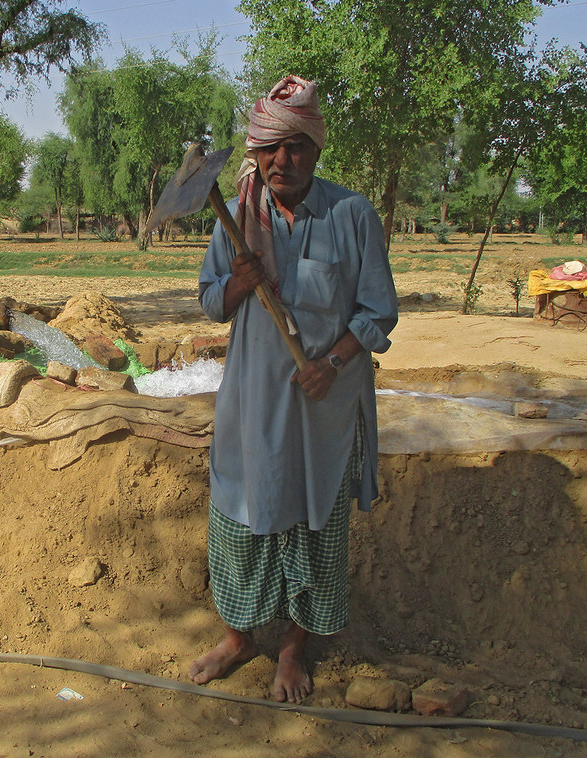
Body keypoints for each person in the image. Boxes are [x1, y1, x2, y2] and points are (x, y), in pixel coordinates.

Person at [189, 75, 398, 704]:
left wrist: (332, 363)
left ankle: (292, 649)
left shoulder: (351, 214)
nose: (283, 161)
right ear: (254, 152)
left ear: (316, 149)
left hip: (322, 408)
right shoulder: (236, 221)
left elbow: (377, 311)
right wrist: (238, 281)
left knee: (315, 524)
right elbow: (208, 302)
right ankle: (238, 637)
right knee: (240, 514)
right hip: (253, 402)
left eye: (297, 147)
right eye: (270, 148)